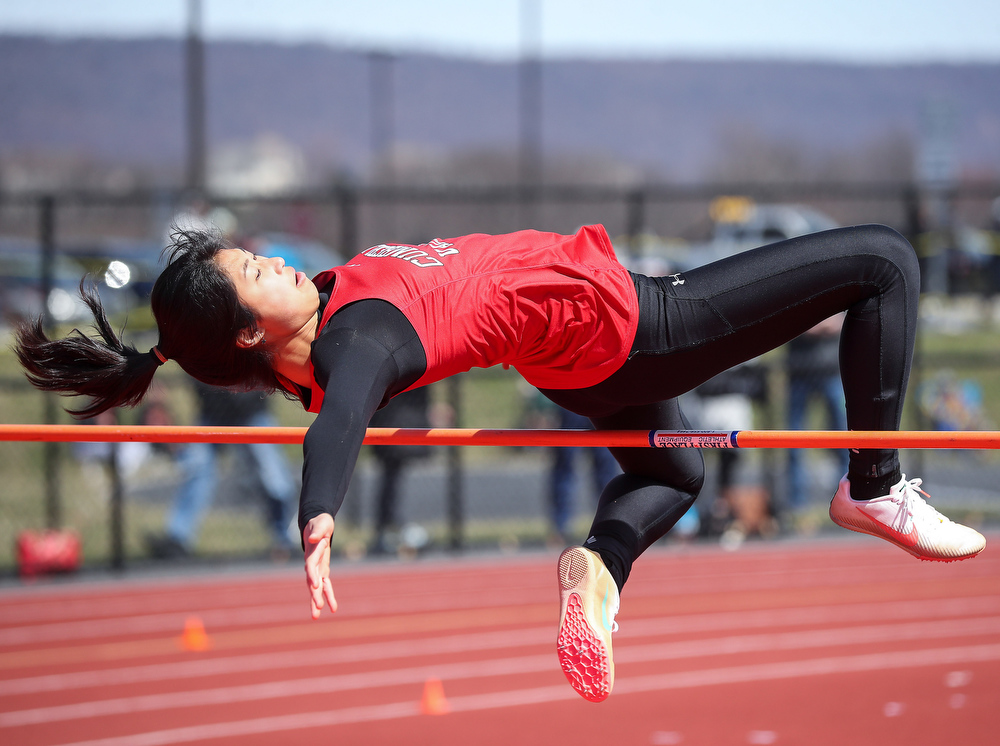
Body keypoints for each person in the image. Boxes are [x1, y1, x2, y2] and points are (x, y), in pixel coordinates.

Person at [14, 223, 987, 706]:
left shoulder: (328, 306)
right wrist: (319, 514)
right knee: (886, 263)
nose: (272, 261)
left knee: (677, 473)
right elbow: (340, 411)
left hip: (573, 356)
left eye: (257, 254)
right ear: (253, 326)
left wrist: (167, 346)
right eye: (255, 273)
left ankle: (599, 566)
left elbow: (300, 377)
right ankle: (875, 486)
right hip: (633, 324)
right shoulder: (358, 337)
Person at [145, 380, 298, 559]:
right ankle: (177, 538)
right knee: (197, 469)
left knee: (274, 477)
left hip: (250, 412)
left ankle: (285, 538)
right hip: (212, 412)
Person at [786, 315, 851, 515]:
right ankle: (798, 504)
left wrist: (820, 325)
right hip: (799, 371)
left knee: (844, 438)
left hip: (831, 370)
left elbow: (845, 320)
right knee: (794, 440)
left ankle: (847, 498)